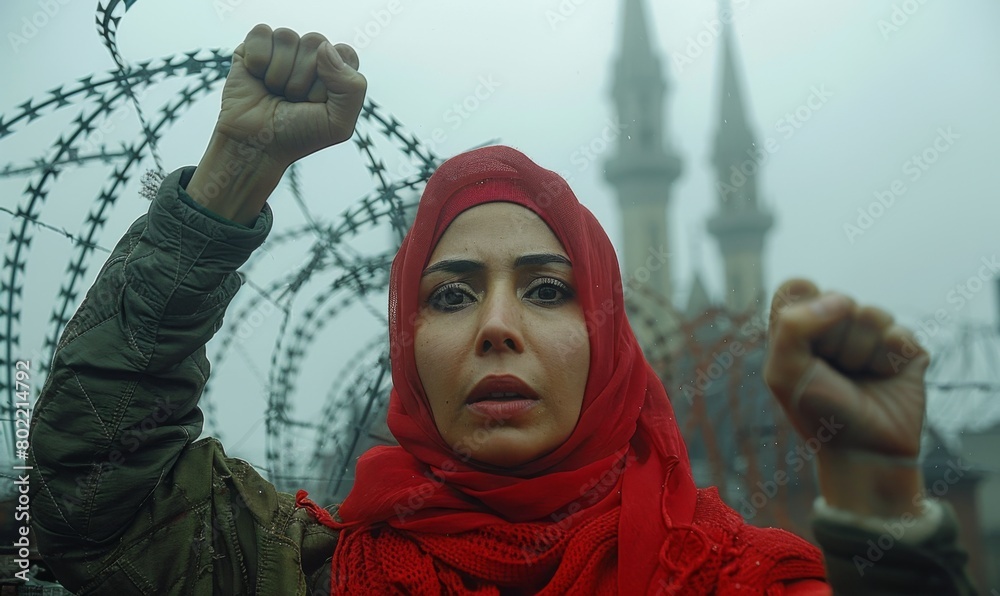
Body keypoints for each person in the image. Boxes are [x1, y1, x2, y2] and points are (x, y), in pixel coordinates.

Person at [28, 25, 976, 595]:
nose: (497, 324)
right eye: (449, 294)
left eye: (550, 288)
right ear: (410, 347)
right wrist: (233, 171)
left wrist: (880, 497)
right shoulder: (310, 572)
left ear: (609, 341)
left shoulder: (740, 578)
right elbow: (94, 503)